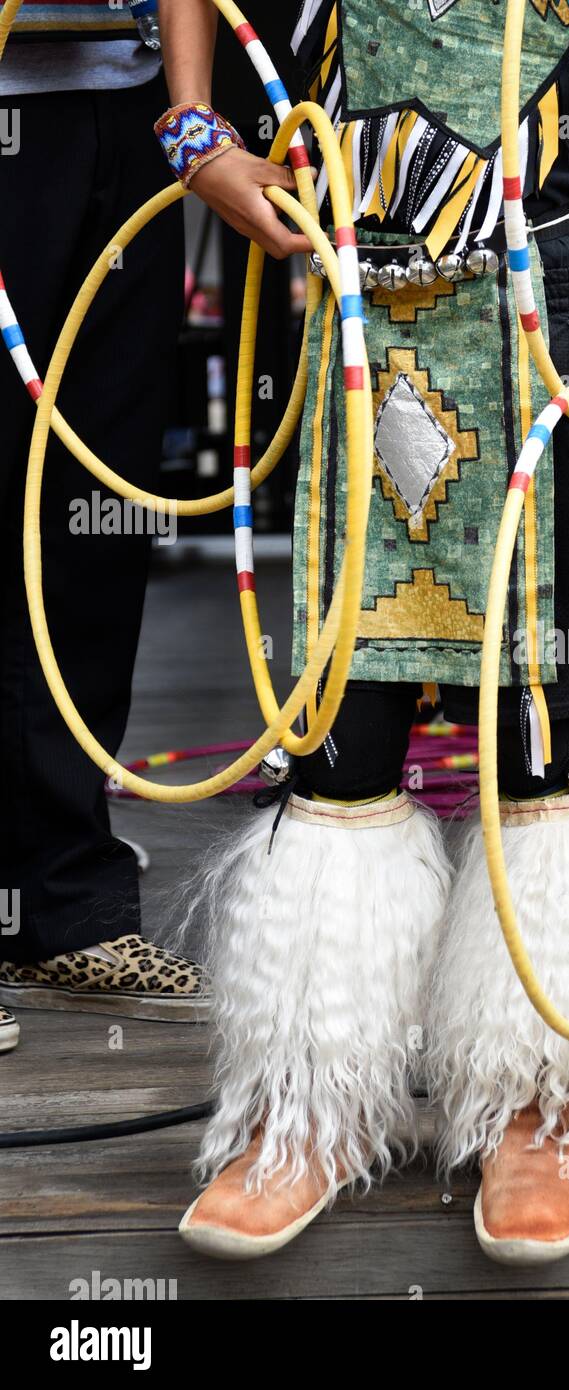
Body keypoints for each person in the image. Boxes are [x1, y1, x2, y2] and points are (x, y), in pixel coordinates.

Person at [159, 0, 569, 1262]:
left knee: (542, 732)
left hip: (539, 333)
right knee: (342, 730)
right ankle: (305, 1101)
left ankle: (538, 1102)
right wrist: (196, 126)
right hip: (356, 326)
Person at [0, 0, 209, 1039]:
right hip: (12, 108)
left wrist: (188, 109)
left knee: (97, 512)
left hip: (129, 108)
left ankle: (66, 906)